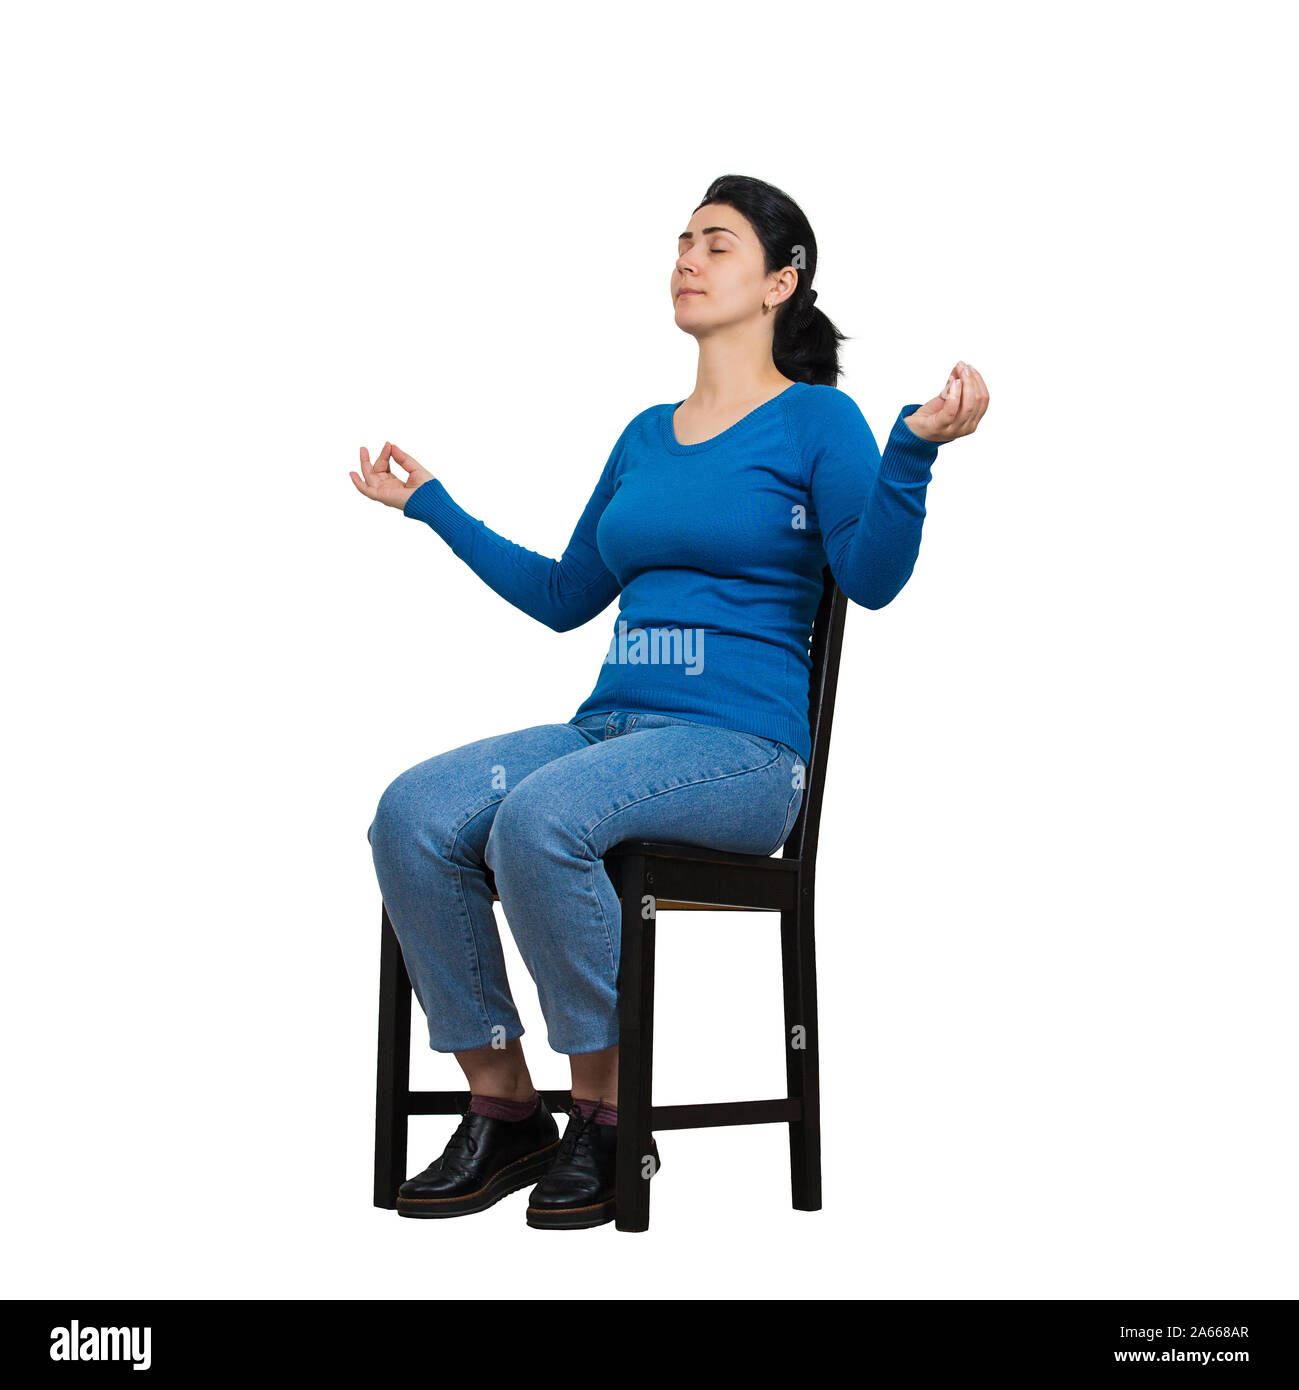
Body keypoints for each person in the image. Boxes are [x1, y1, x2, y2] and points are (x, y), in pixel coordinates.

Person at [350, 174, 989, 1230]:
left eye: (719, 244)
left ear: (782, 283)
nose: (688, 258)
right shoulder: (645, 434)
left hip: (742, 754)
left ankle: (608, 1117)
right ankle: (507, 1107)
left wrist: (911, 452)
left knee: (540, 818)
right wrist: (434, 507)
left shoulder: (821, 423)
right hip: (611, 731)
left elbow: (871, 578)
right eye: (683, 240)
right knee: (413, 812)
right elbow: (565, 596)